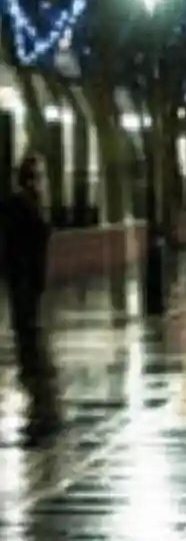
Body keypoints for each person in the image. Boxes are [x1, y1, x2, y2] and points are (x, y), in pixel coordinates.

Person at [3, 155, 59, 445]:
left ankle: (40, 398)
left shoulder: (23, 206)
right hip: (27, 280)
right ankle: (40, 392)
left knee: (28, 333)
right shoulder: (29, 207)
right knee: (30, 332)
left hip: (25, 281)